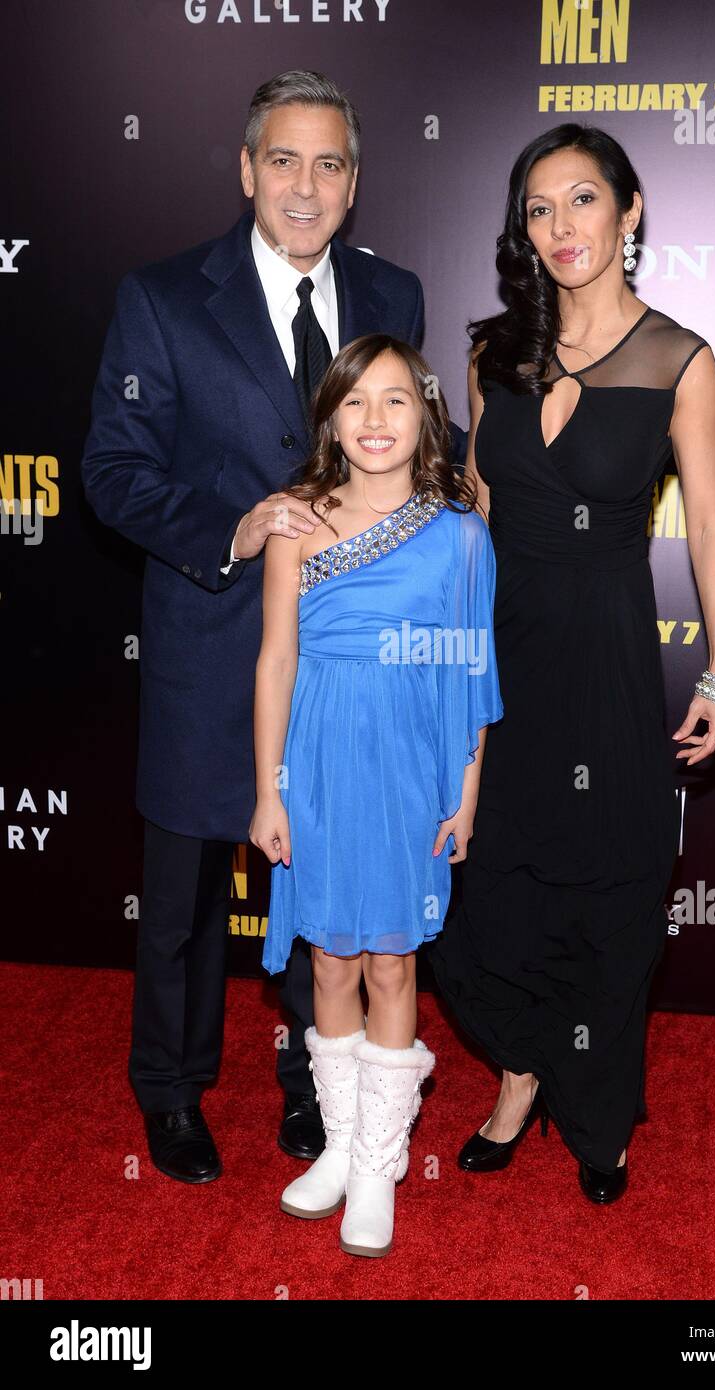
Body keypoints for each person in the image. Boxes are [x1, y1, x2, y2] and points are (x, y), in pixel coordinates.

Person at [80, 69, 467, 1185]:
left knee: (336, 877)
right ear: (247, 170)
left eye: (330, 163)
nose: (306, 186)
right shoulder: (161, 296)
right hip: (215, 641)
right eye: (284, 161)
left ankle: (319, 1083)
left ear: (354, 181)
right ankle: (172, 1089)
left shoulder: (393, 290)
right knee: (190, 896)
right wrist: (235, 527)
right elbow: (111, 469)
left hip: (357, 663)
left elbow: (411, 452)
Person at [429, 123, 715, 1205]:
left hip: (607, 663)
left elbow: (706, 522)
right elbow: (472, 516)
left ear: (629, 210)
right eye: (536, 209)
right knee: (488, 888)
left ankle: (596, 1110)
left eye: (579, 201)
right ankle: (519, 1071)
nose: (558, 226)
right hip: (498, 663)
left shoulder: (678, 361)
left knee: (612, 896)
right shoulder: (491, 357)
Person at [250, 334, 504, 1257]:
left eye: (396, 401)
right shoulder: (295, 523)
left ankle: (379, 1162)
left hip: (408, 767)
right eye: (356, 403)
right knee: (326, 962)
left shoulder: (461, 534)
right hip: (315, 760)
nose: (376, 421)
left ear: (425, 416)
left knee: (394, 963)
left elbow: (471, 677)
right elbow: (276, 661)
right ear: (331, 419)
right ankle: (344, 1146)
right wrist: (267, 790)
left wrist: (465, 794)